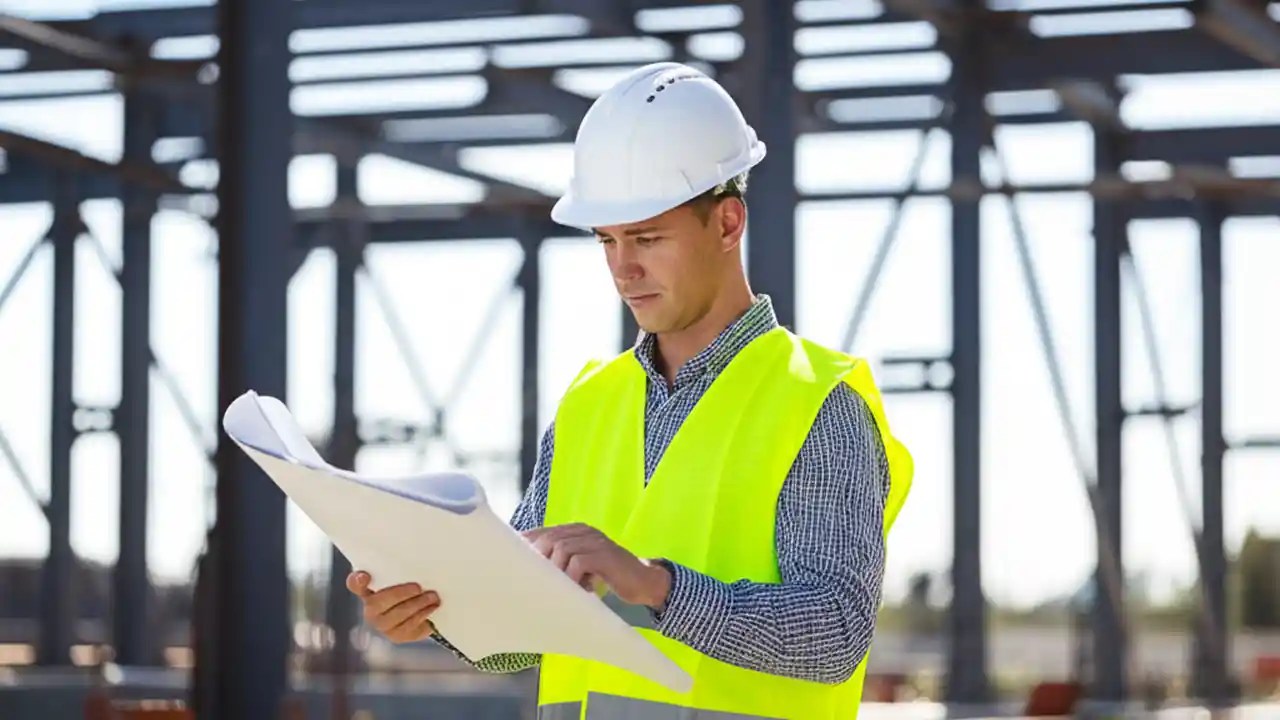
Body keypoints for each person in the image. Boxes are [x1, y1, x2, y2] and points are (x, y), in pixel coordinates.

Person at [347, 61, 913, 719]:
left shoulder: (818, 402)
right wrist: (434, 614)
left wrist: (653, 585)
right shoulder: (589, 405)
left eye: (647, 238)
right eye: (608, 240)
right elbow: (526, 632)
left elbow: (834, 634)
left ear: (728, 224)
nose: (624, 268)